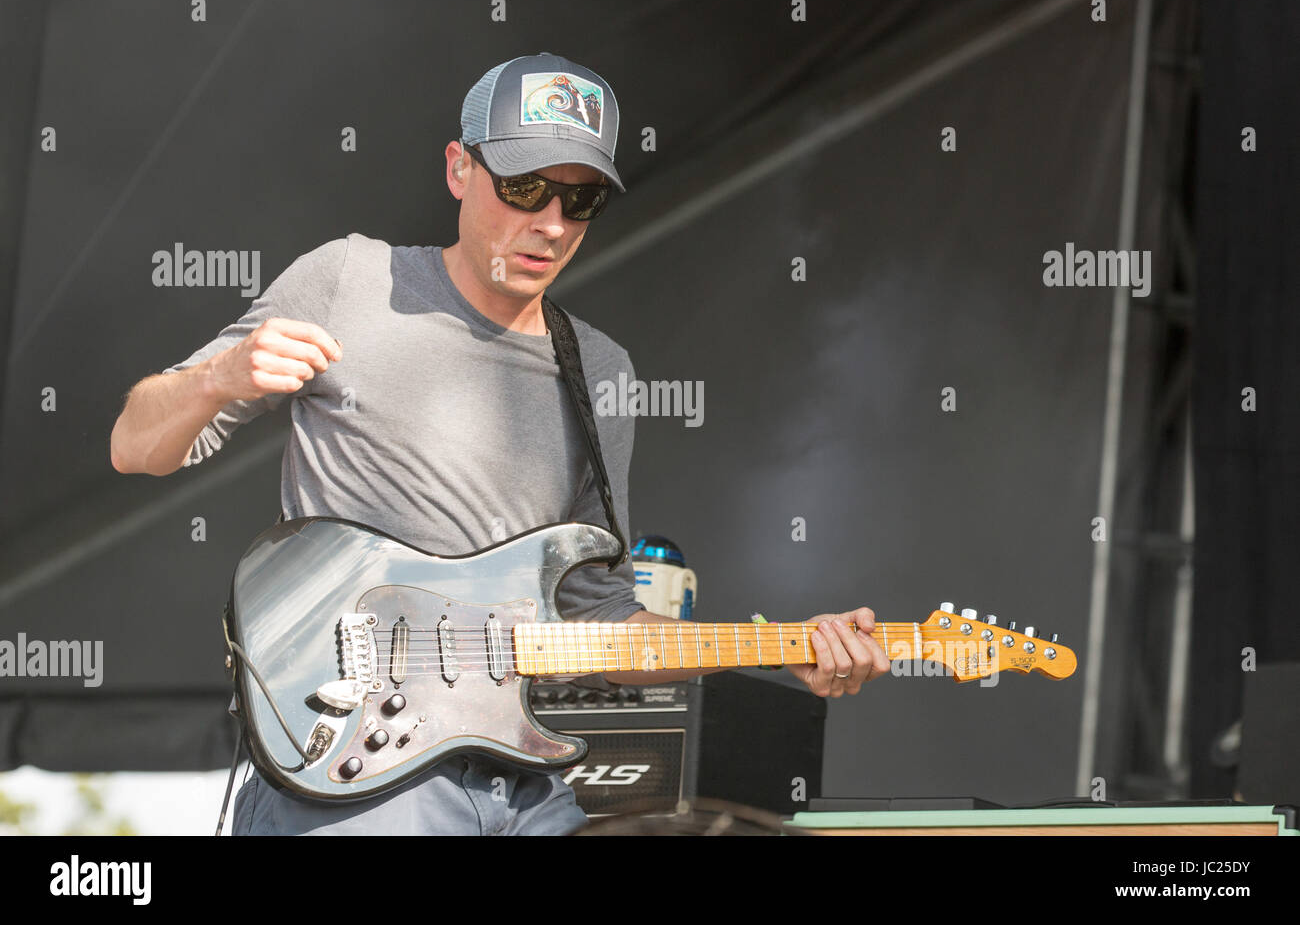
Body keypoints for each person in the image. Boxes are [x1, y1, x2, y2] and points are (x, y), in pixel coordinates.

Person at [109, 52, 890, 835]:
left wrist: (777, 645)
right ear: (458, 167)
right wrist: (218, 377)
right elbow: (135, 445)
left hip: (523, 783)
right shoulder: (349, 278)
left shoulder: (600, 370)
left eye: (580, 199)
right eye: (524, 187)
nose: (550, 222)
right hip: (355, 771)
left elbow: (600, 623)